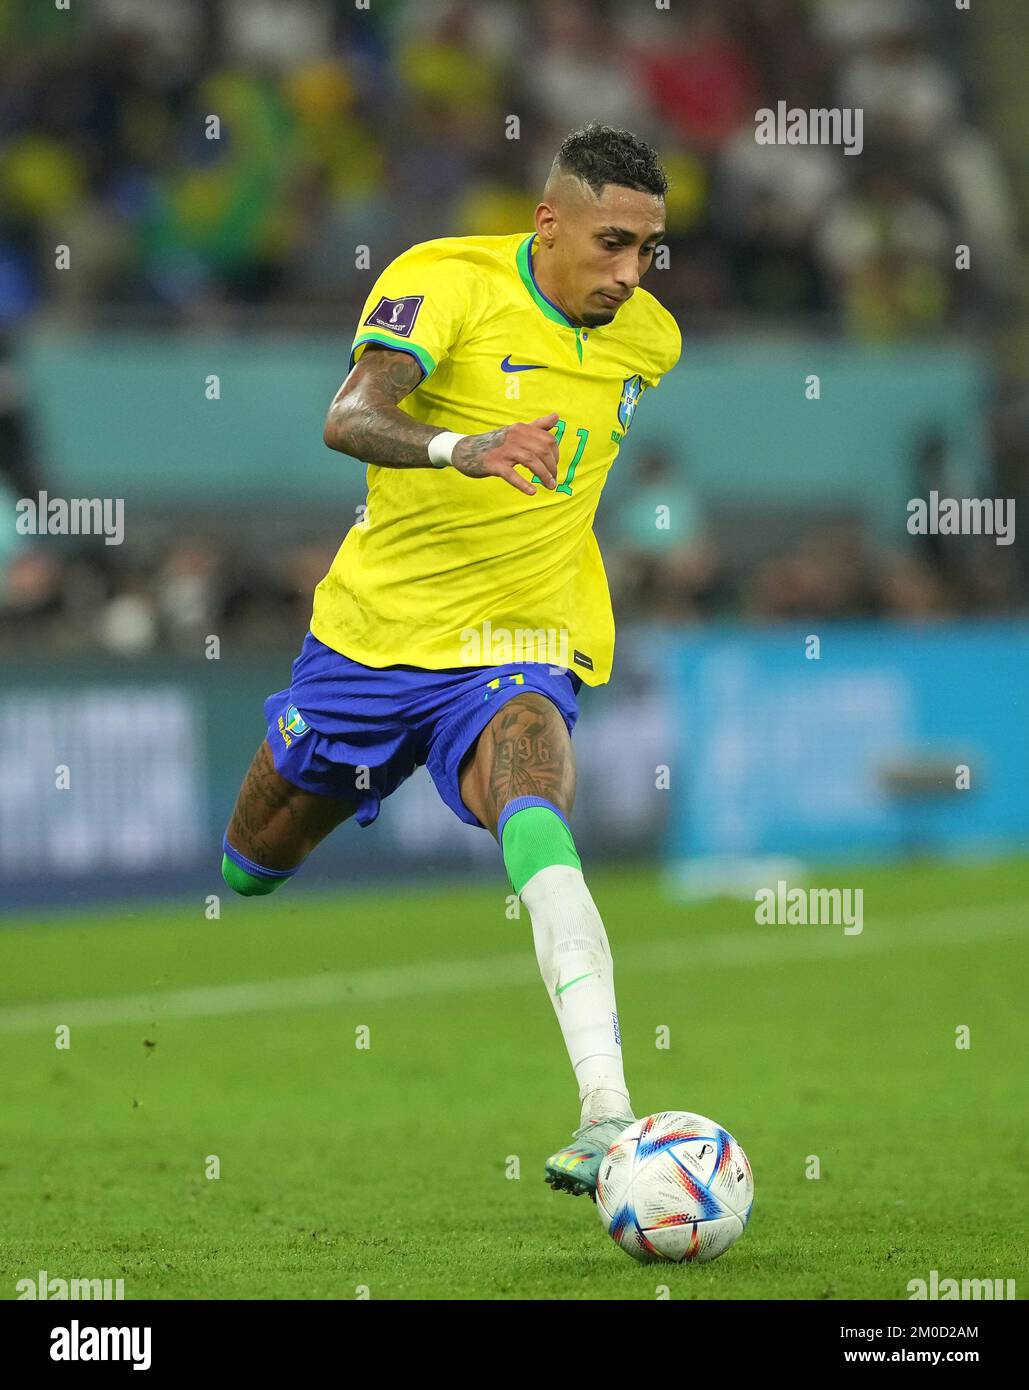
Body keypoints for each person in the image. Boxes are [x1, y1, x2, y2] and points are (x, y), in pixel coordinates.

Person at [222, 122, 681, 1199]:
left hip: (520, 645)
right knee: (248, 866)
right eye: (612, 243)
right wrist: (462, 448)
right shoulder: (444, 280)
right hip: (372, 643)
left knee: (536, 806)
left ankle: (606, 1111)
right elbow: (349, 415)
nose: (630, 273)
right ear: (550, 222)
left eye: (649, 250)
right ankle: (338, 755)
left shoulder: (647, 340)